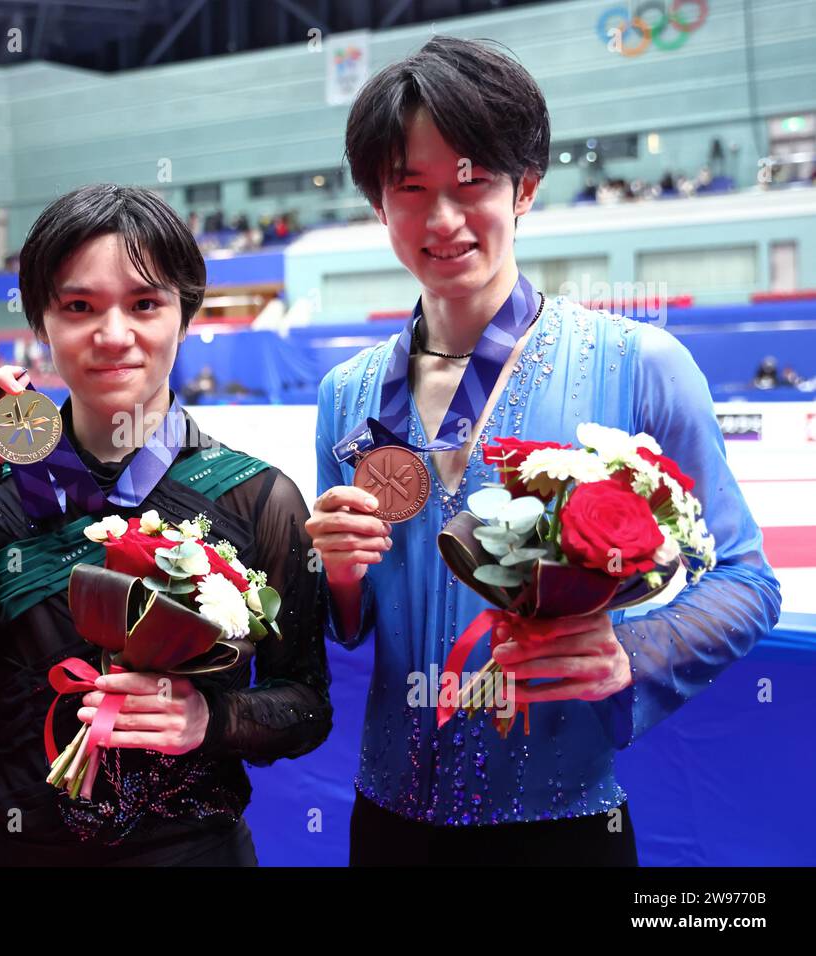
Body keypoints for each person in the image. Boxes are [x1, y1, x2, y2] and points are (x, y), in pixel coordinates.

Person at [308, 36, 781, 866]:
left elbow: (746, 580)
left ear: (525, 188)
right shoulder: (346, 395)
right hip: (385, 819)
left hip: (561, 825)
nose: (443, 220)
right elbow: (351, 624)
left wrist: (630, 650)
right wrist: (339, 579)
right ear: (379, 206)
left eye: (472, 182)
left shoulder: (639, 365)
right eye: (409, 189)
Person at [0, 183, 332, 866]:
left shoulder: (260, 498)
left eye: (144, 304)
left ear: (184, 315)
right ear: (40, 323)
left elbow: (307, 706)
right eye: (79, 307)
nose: (112, 335)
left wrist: (211, 719)